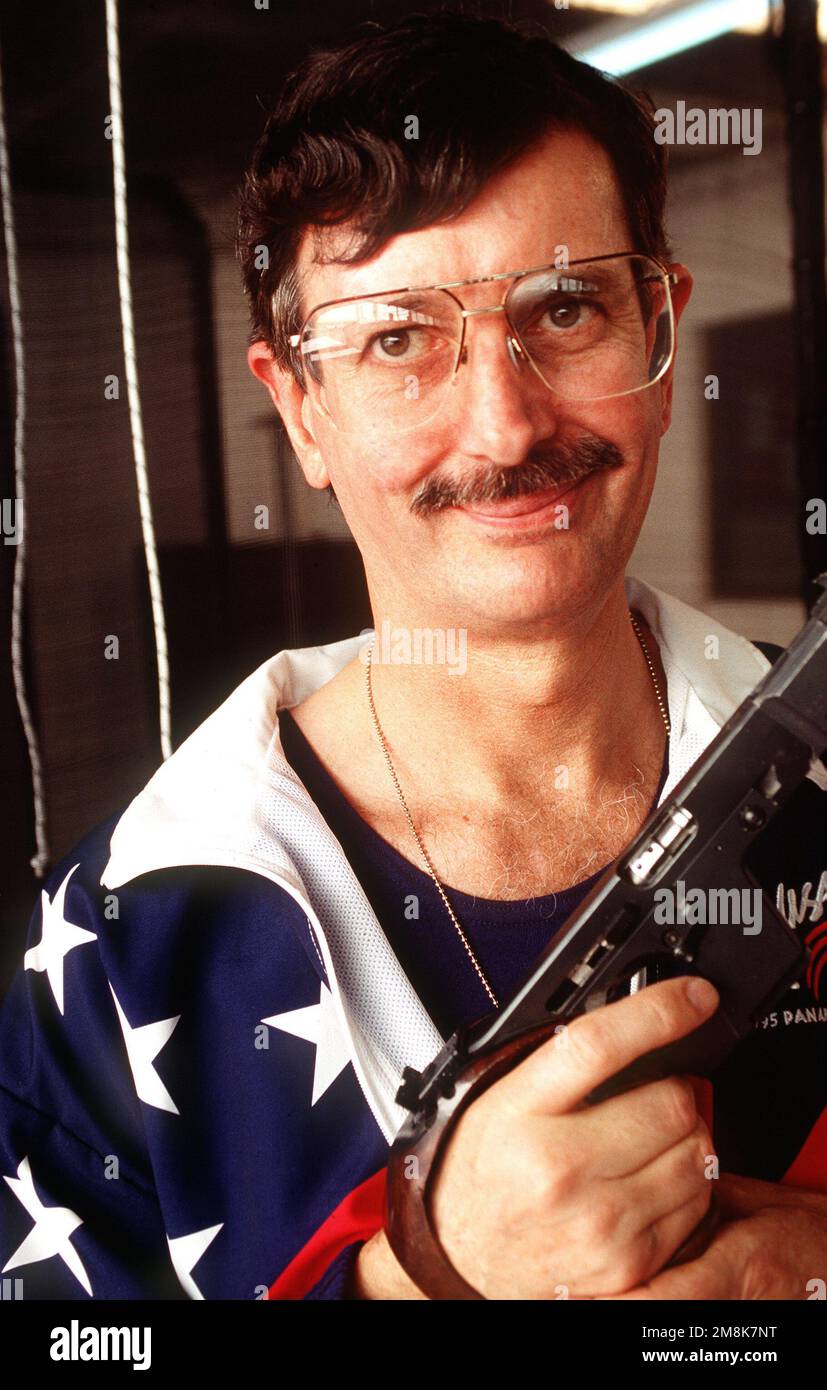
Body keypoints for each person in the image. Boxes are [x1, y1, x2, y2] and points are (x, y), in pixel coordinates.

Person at [1, 11, 825, 1302]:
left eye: (567, 307)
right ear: (300, 410)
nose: (503, 422)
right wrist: (414, 1282)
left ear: (662, 343)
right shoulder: (131, 934)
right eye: (397, 339)